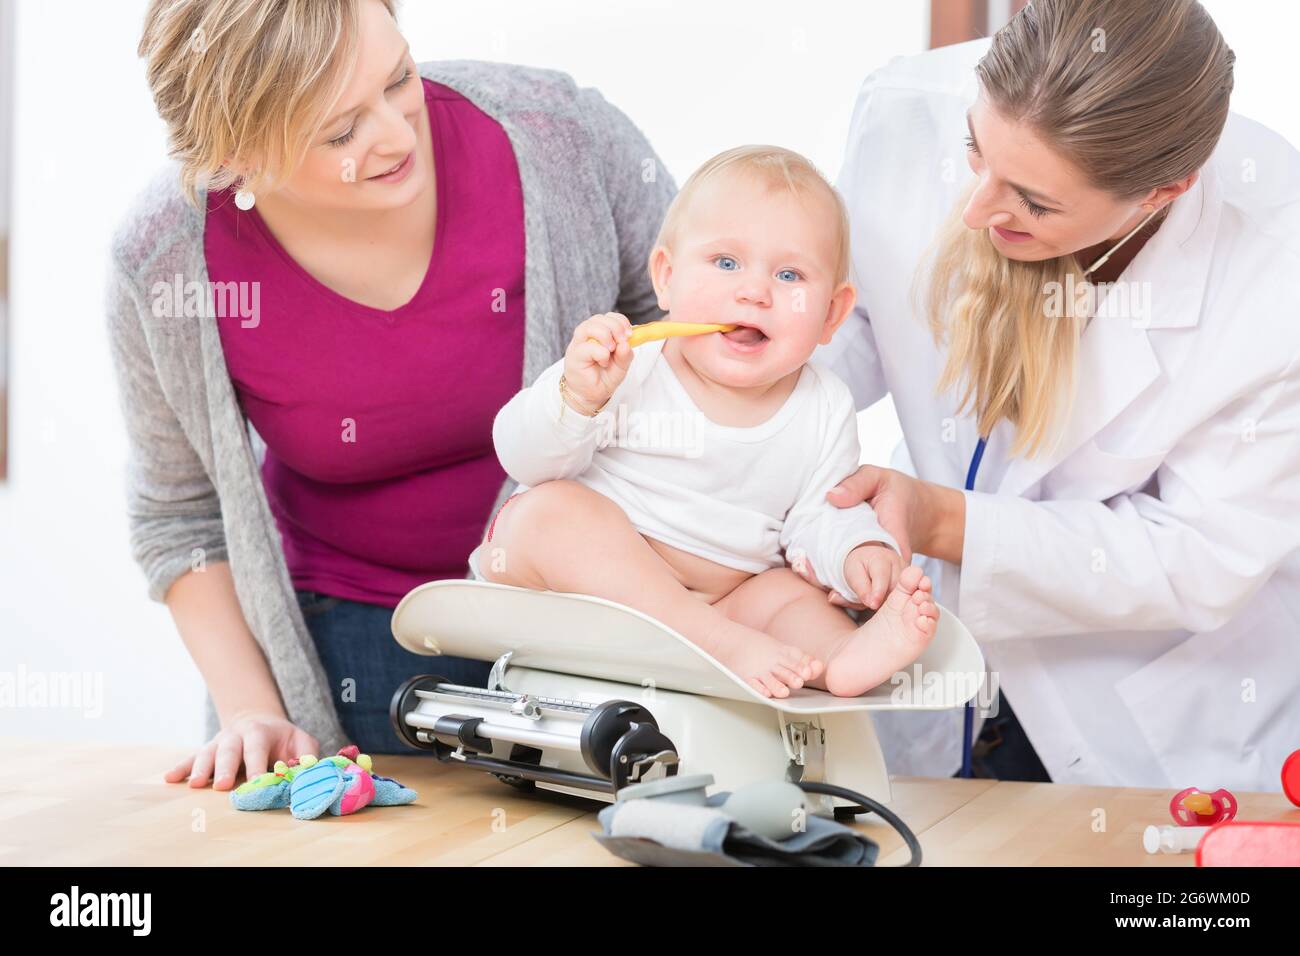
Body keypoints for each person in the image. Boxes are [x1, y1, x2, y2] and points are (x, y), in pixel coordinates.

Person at [107, 0, 674, 788]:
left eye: (399, 77)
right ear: (234, 156)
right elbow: (180, 517)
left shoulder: (559, 138)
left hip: (591, 632)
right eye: (340, 132)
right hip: (348, 658)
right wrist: (250, 711)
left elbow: (690, 357)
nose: (400, 135)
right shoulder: (169, 259)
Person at [814, 0, 1300, 789]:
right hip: (940, 668)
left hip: (1143, 710)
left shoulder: (1277, 265)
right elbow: (856, 315)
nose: (974, 211)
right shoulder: (907, 110)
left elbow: (1197, 555)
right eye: (975, 152)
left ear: (1164, 190)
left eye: (1034, 203)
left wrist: (940, 518)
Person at [475, 146, 940, 698]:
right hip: (590, 585)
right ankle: (712, 641)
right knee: (546, 511)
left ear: (832, 314)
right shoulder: (626, 366)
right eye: (725, 263)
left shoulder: (824, 405)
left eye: (789, 274)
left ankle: (841, 659)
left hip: (728, 601)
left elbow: (819, 517)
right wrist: (576, 399)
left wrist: (858, 552)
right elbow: (521, 456)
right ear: (666, 279)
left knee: (788, 595)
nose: (753, 290)